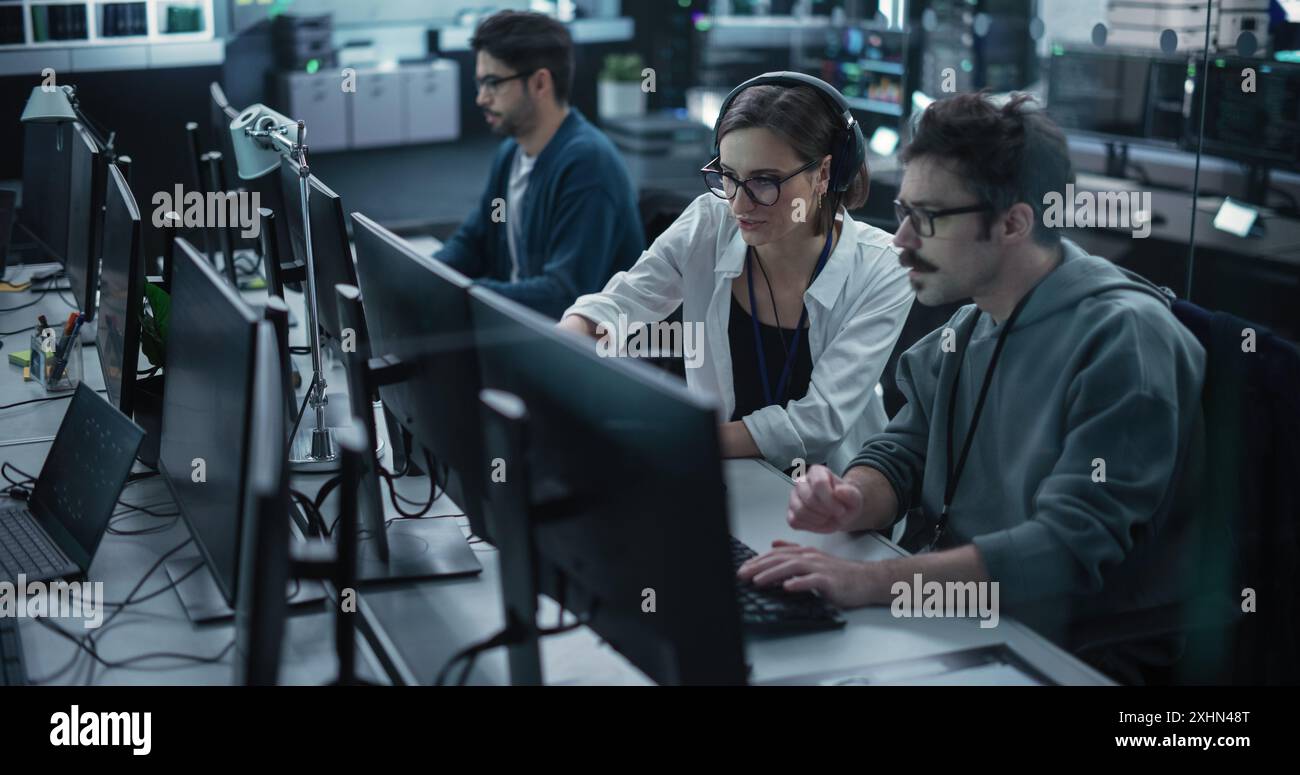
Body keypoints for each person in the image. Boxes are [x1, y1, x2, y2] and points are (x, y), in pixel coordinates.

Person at [738, 92, 1207, 682]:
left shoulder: (1125, 342)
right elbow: (904, 451)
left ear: (1013, 223)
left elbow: (1061, 554)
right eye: (903, 212)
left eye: (927, 218)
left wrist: (870, 582)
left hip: (1067, 651)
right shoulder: (977, 318)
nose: (902, 239)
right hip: (951, 617)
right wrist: (856, 496)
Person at [559, 73, 913, 472]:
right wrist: (557, 350)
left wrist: (674, 436)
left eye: (765, 181)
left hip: (834, 499)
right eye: (727, 176)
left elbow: (817, 425)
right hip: (726, 476)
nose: (739, 205)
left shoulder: (883, 266)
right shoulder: (708, 223)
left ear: (825, 174)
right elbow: (618, 306)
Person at [434, 11, 644, 319]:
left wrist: (463, 294)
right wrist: (426, 276)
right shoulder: (511, 154)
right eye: (480, 84)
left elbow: (563, 296)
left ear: (540, 83)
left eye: (492, 83)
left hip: (579, 353)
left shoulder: (587, 165)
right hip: (520, 333)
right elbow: (472, 242)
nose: (481, 98)